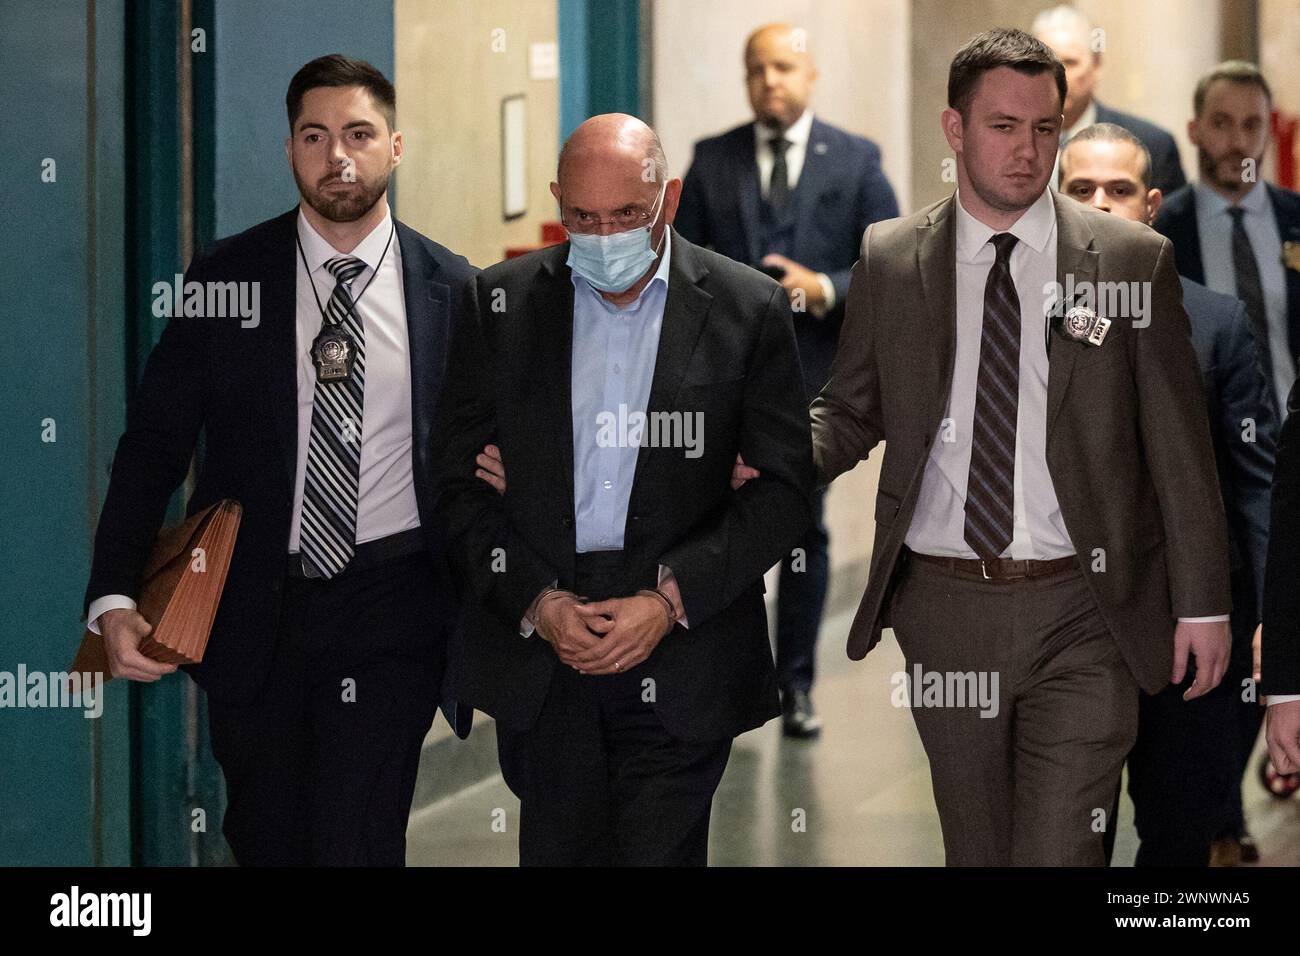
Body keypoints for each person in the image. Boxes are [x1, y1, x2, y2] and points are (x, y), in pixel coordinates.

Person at [808, 28, 1231, 865]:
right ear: (955, 130)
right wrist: (758, 455)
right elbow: (850, 412)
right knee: (979, 851)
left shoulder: (1128, 262)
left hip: (1085, 612)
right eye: (1003, 126)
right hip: (944, 609)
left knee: (1062, 850)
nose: (1028, 150)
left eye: (1046, 128)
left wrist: (1203, 603)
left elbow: (1180, 451)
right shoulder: (893, 259)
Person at [83, 54, 476, 865]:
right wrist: (114, 592)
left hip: (393, 608)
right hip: (257, 612)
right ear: (290, 149)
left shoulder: (455, 290)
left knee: (356, 840)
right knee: (266, 839)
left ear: (395, 147)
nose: (338, 157)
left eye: (359, 135)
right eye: (315, 135)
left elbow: (491, 441)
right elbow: (155, 443)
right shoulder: (227, 278)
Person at [435, 114, 814, 866]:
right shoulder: (500, 304)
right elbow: (454, 488)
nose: (603, 236)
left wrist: (669, 602)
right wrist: (536, 603)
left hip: (683, 646)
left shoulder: (748, 307)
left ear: (667, 200)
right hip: (548, 651)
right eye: (582, 217)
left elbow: (782, 493)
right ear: (556, 203)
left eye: (626, 217)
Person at [1059, 122, 1278, 866]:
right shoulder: (1018, 318)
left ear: (1152, 206)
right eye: (1080, 189)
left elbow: (1256, 485)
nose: (1100, 204)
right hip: (1065, 625)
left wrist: (1275, 618)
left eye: (1119, 191)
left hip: (1188, 633)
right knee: (1058, 836)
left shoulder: (1216, 324)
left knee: (1178, 835)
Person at [675, 22, 899, 737]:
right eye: (755, 69)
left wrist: (824, 289)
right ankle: (720, 680)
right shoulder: (713, 160)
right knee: (712, 527)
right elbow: (685, 264)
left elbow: (891, 264)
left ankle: (795, 683)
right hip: (720, 383)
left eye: (781, 67)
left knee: (802, 531)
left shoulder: (856, 160)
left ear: (810, 74)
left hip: (812, 382)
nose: (768, 80)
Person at [1155, 60, 1300, 418]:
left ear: (1270, 132)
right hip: (1208, 443)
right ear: (1194, 130)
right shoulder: (1161, 231)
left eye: (1252, 125)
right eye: (1221, 123)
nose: (1237, 142)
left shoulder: (1296, 219)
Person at [1032, 5, 1186, 194]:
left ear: (1095, 67)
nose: (1057, 76)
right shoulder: (1008, 138)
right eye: (1045, 65)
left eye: (1070, 63)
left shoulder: (1152, 144)